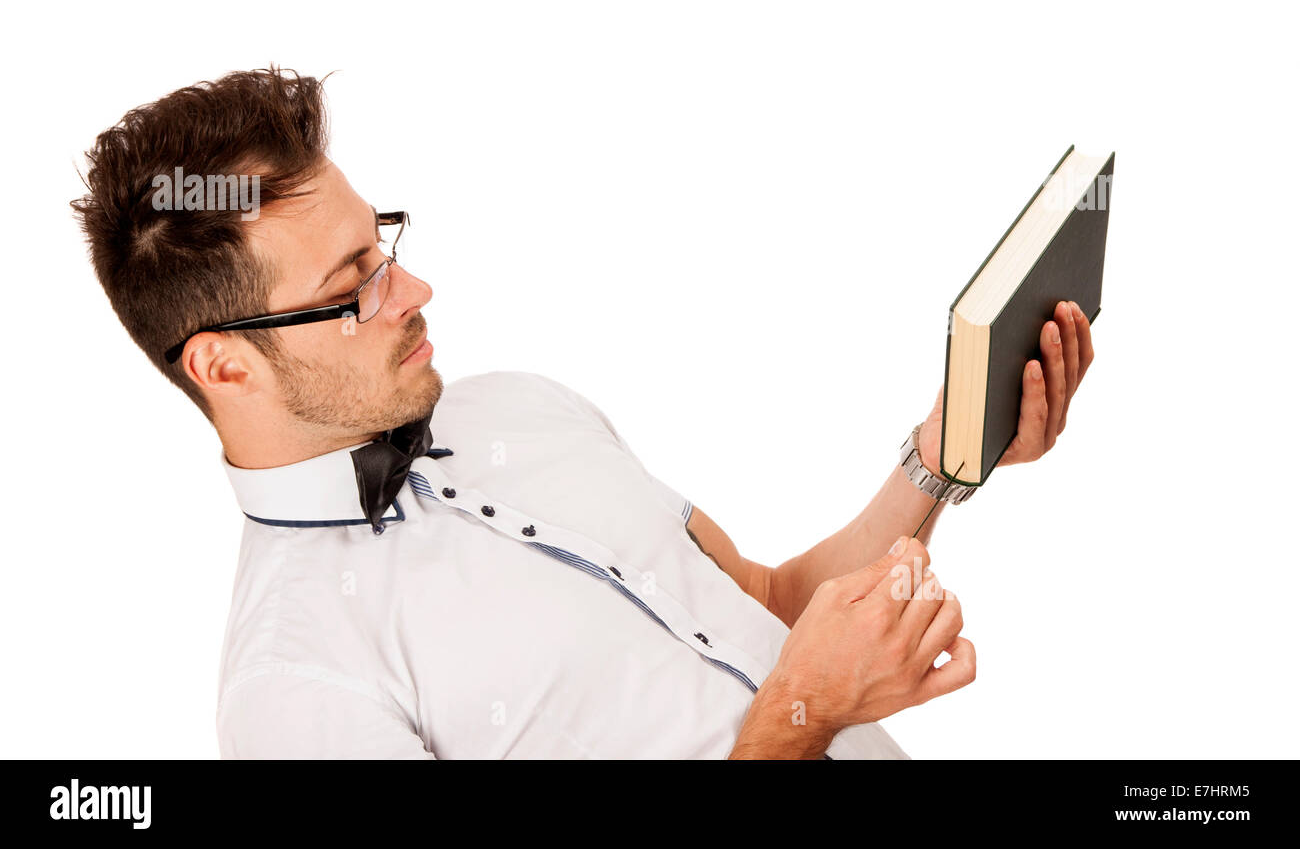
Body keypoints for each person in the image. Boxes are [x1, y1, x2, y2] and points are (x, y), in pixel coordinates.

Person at [71, 67, 1095, 759]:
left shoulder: (522, 404)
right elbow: (800, 682)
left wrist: (942, 454)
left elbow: (770, 601)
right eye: (353, 284)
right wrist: (803, 712)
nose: (413, 287)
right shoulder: (293, 688)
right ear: (224, 364)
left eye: (382, 241)